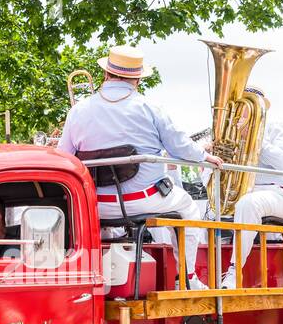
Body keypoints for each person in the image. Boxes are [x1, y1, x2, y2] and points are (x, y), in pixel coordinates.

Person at [57, 45, 222, 290]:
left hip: (94, 206)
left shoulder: (78, 110)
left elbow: (63, 158)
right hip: (142, 201)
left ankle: (97, 279)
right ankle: (187, 280)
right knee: (189, 208)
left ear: (106, 74)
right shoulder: (149, 108)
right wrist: (204, 156)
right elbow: (180, 147)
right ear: (137, 79)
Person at [217, 98, 283, 289]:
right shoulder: (232, 130)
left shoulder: (275, 126)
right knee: (210, 208)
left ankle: (234, 273)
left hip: (279, 193)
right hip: (248, 192)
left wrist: (256, 140)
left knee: (248, 203)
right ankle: (191, 276)